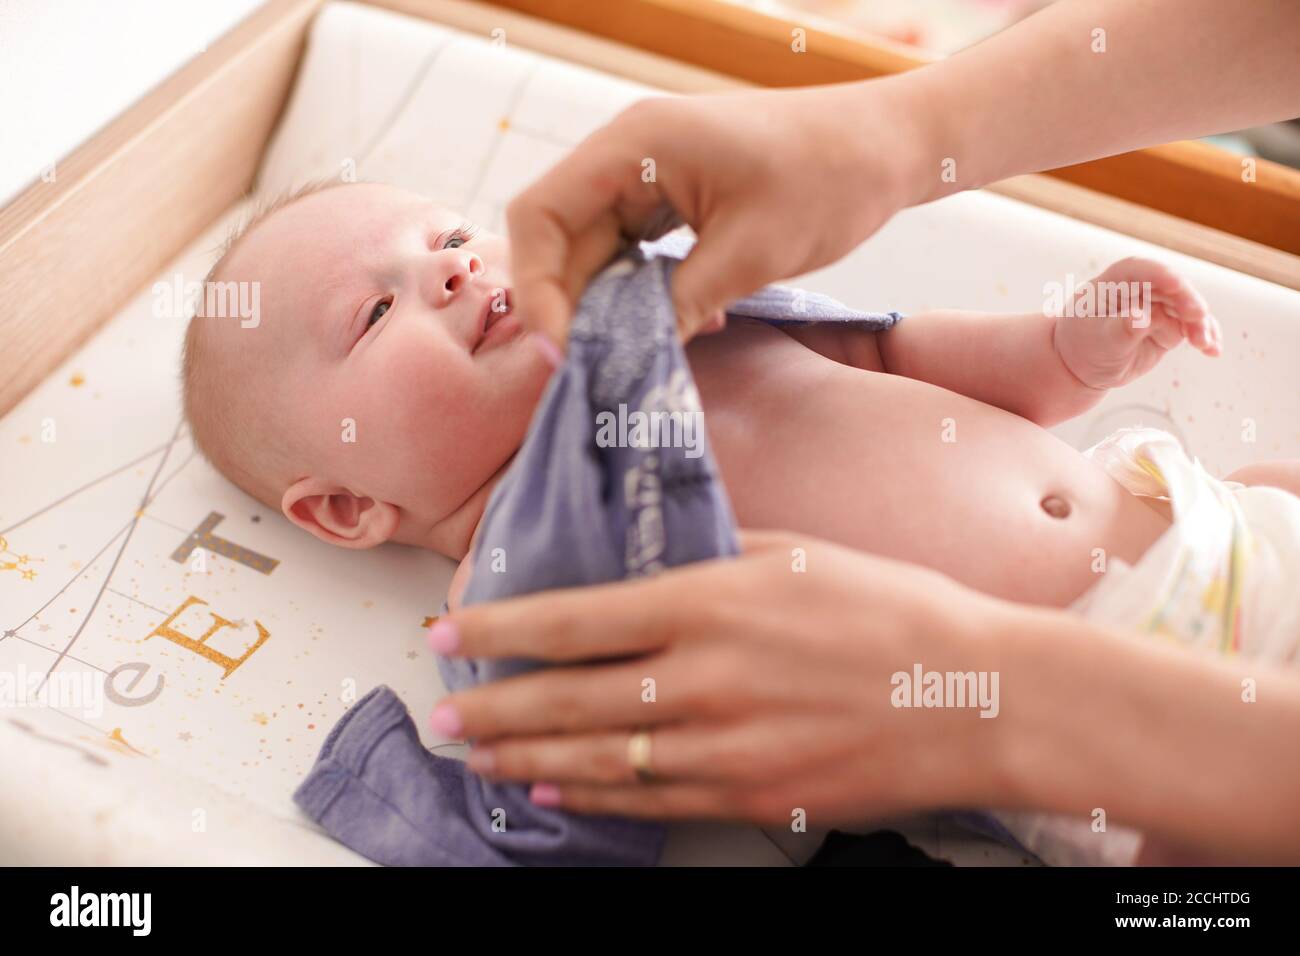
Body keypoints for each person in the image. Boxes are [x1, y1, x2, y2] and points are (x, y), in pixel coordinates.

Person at [428, 0, 1300, 863]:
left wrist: (1061, 351)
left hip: (1208, 526)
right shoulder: (517, 547)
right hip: (1111, 738)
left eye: (451, 235)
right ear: (347, 506)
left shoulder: (697, 315)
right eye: (374, 310)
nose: (451, 267)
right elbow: (561, 723)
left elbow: (896, 352)